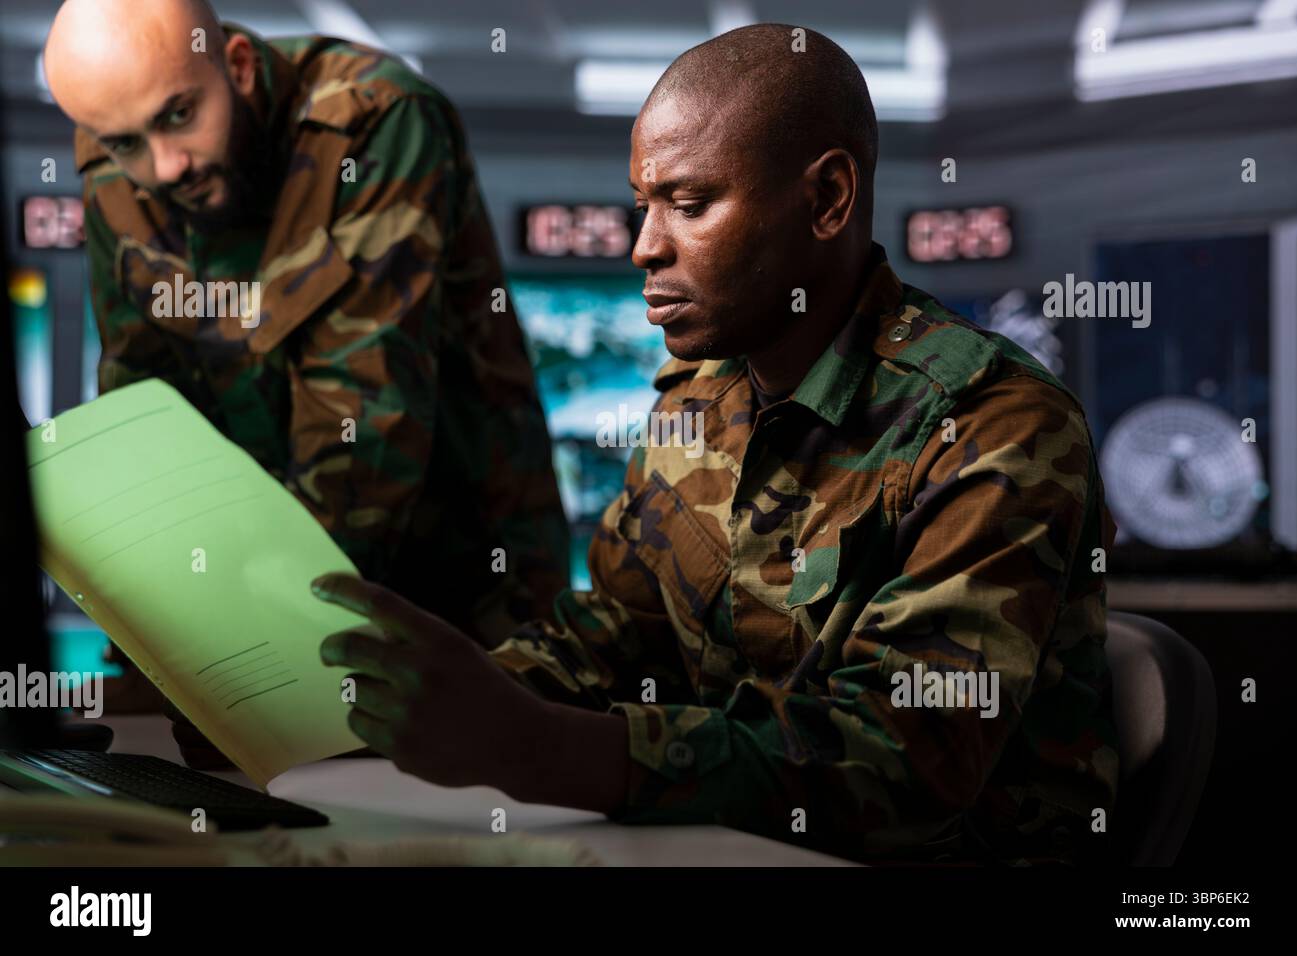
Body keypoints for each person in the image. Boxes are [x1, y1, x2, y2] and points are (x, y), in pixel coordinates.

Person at [310, 23, 1121, 864]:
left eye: (690, 206)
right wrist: (416, 706)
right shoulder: (694, 402)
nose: (644, 246)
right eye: (643, 207)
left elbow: (902, 765)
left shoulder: (995, 426)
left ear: (828, 199)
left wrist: (543, 748)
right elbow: (612, 637)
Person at [41, 0, 569, 659]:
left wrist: (256, 649)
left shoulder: (378, 119)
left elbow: (362, 427)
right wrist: (155, 634)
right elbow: (140, 396)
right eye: (125, 143)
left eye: (179, 115)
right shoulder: (114, 146)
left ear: (236, 67)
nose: (166, 165)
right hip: (252, 581)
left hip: (459, 583)